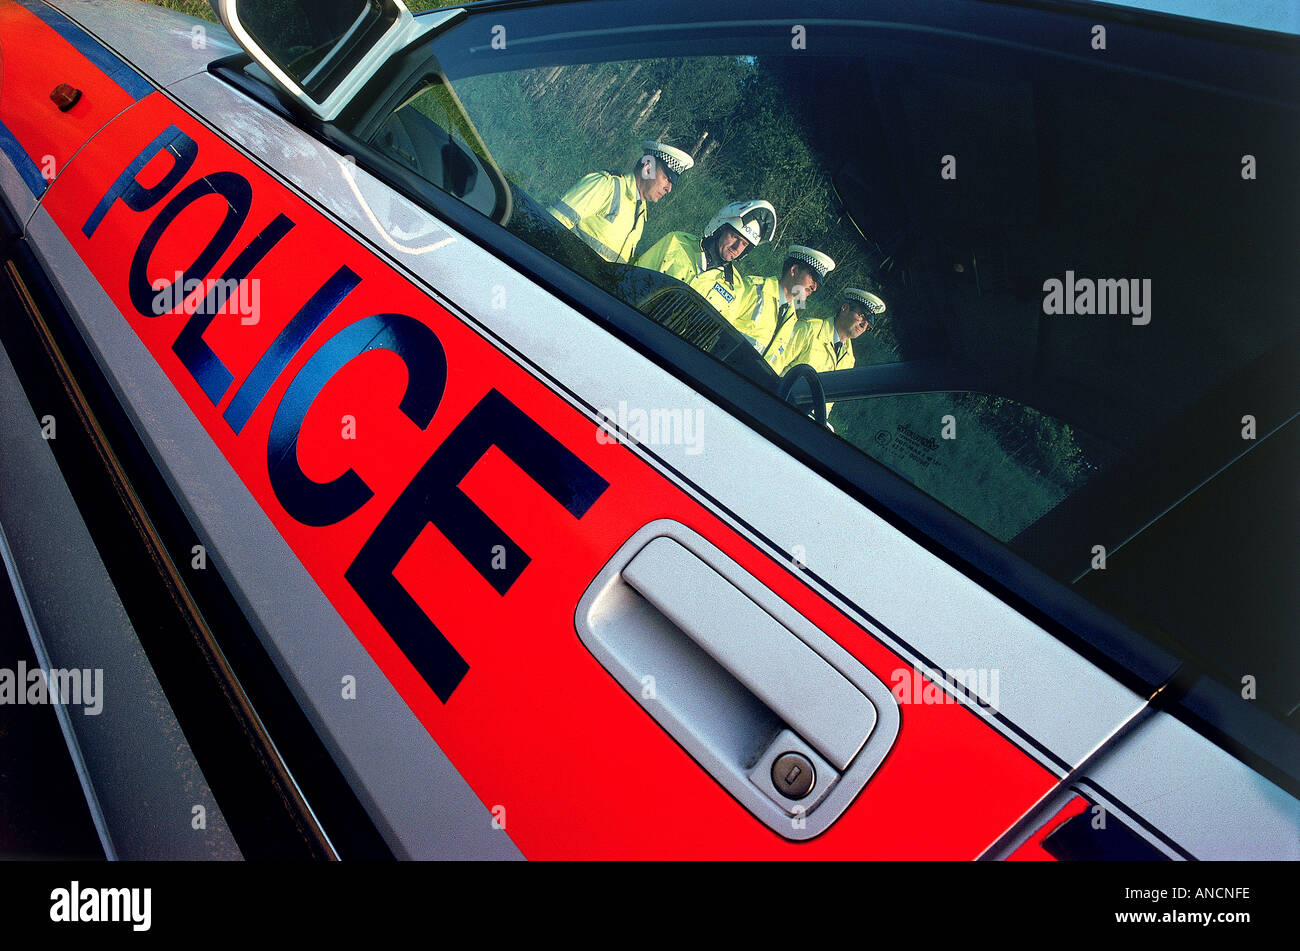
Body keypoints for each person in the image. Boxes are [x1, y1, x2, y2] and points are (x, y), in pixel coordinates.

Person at [549, 141, 694, 263]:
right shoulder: (607, 186)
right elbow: (550, 223)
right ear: (648, 167)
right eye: (666, 178)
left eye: (672, 183)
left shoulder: (640, 214)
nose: (669, 189)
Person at [635, 200, 777, 324]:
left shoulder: (736, 289)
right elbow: (635, 278)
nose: (737, 248)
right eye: (735, 237)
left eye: (744, 244)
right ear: (721, 228)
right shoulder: (676, 242)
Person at [770, 288, 886, 416]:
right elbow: (773, 368)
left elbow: (828, 402)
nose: (864, 325)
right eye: (862, 316)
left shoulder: (849, 358)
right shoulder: (809, 329)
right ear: (844, 308)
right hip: (780, 405)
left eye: (868, 323)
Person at [733, 245, 835, 357]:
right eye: (813, 278)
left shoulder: (791, 318)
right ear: (794, 270)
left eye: (817, 284)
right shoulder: (754, 289)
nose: (814, 287)